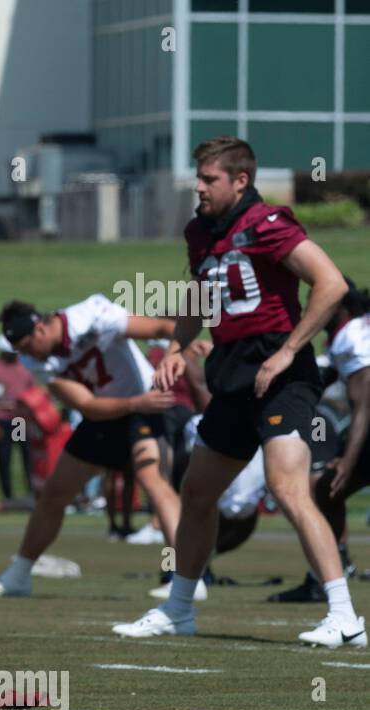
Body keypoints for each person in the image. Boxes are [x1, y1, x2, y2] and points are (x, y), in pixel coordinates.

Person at [114, 136, 364, 648]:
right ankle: (180, 607)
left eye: (209, 179)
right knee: (198, 490)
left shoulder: (269, 224)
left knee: (287, 487)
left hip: (281, 377)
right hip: (233, 378)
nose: (199, 188)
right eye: (198, 178)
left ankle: (343, 613)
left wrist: (289, 349)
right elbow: (199, 293)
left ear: (240, 181)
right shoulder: (201, 231)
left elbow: (331, 283)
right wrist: (178, 348)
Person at [0, 295, 183, 599]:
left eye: (27, 347)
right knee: (54, 493)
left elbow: (164, 326)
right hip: (109, 412)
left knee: (155, 484)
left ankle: (186, 577)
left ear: (40, 330)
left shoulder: (94, 315)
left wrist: (175, 354)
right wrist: (134, 403)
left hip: (145, 406)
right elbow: (88, 405)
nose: (27, 356)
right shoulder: (37, 361)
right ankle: (18, 575)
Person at [268, 280, 370, 603]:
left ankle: (326, 575)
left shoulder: (353, 338)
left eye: (317, 302)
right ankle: (331, 569)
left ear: (337, 304)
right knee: (326, 490)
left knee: (328, 486)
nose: (313, 310)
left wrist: (349, 459)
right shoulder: (350, 334)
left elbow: (364, 402)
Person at [0, 338, 35, 499]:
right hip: (2, 420)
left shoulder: (23, 368)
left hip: (19, 421)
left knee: (26, 457)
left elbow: (32, 392)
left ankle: (31, 491)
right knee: (4, 458)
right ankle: (7, 495)